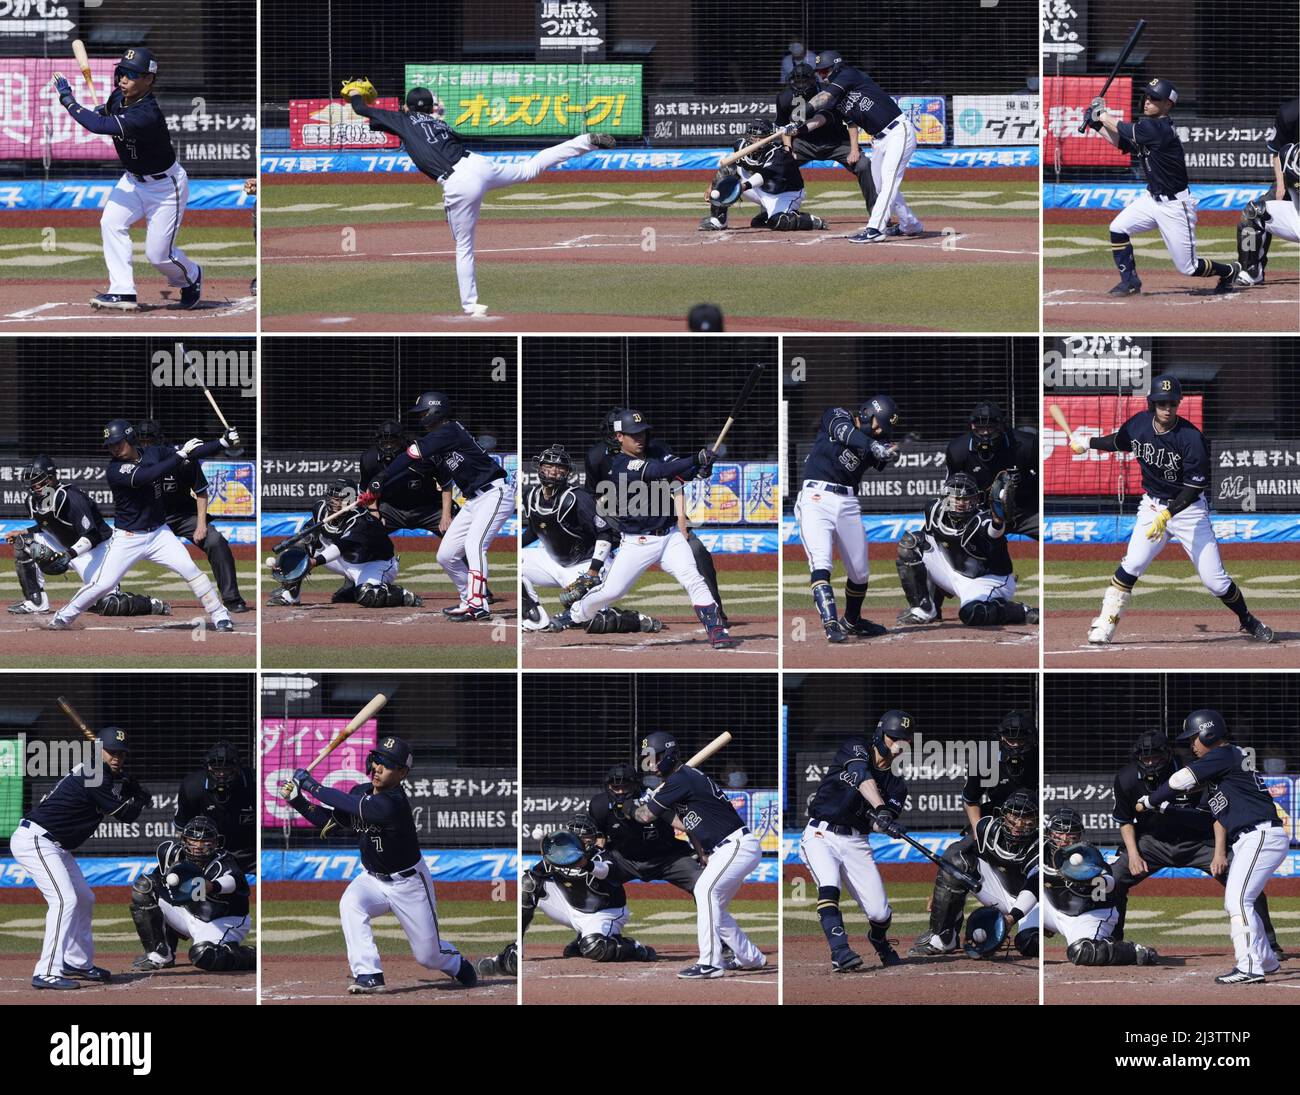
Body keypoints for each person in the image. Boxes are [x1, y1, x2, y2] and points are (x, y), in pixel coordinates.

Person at [342, 79, 615, 316]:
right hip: (478, 164)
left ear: (408, 107)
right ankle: (585, 142)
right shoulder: (440, 124)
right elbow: (429, 122)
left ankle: (471, 306)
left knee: (463, 246)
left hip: (459, 181)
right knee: (529, 168)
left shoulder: (403, 119)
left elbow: (361, 108)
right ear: (430, 107)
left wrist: (355, 91)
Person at [1067, 374, 1273, 644]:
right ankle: (1105, 622)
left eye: (1172, 402)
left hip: (1188, 512)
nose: (1167, 408)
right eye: (1161, 402)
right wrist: (1088, 443)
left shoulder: (1190, 438)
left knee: (1215, 581)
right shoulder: (1140, 424)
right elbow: (1119, 441)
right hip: (1153, 505)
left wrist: (1168, 515)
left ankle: (1248, 620)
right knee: (1133, 563)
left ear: (1178, 403)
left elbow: (1193, 488)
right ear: (1152, 403)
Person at [280, 734, 477, 993]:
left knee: (428, 956)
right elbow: (329, 822)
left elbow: (347, 803)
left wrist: (311, 785)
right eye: (377, 759)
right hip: (372, 879)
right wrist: (298, 801)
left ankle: (457, 964)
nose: (378, 767)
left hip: (409, 884)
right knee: (350, 904)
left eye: (388, 764)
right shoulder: (360, 792)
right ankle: (368, 974)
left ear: (402, 773)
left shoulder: (392, 803)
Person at [1141, 710, 1289, 984]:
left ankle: (1249, 967)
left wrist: (1150, 800)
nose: (1192, 745)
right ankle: (1266, 961)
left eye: (1194, 738)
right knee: (1240, 901)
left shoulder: (1224, 754)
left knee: (1237, 901)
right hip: (1249, 839)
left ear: (1208, 733)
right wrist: (1163, 807)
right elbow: (1206, 817)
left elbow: (1177, 781)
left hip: (1260, 836)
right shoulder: (1221, 773)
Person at [48, 420, 238, 631]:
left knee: (191, 570)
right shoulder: (115, 470)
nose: (114, 448)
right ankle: (63, 617)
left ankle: (221, 615)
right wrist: (180, 455)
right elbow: (148, 475)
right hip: (128, 538)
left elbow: (192, 452)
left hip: (159, 534)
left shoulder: (153, 453)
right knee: (103, 584)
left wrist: (223, 442)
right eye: (110, 445)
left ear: (130, 439)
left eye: (118, 443)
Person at [52, 48, 202, 310]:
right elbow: (106, 114)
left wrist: (68, 101)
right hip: (132, 181)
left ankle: (191, 276)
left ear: (148, 80)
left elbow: (100, 126)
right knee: (110, 222)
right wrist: (102, 111)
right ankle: (122, 290)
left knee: (158, 255)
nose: (123, 79)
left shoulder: (147, 114)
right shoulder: (118, 98)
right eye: (122, 72)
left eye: (131, 75)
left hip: (165, 188)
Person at [9, 725, 147, 988]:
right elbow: (125, 815)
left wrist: (127, 793)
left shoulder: (98, 772)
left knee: (84, 898)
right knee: (64, 901)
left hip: (56, 846)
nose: (117, 757)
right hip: (37, 840)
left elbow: (113, 801)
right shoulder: (94, 772)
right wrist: (137, 798)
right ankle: (46, 971)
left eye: (122, 753)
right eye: (111, 752)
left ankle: (76, 962)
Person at [359, 391, 512, 621]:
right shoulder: (443, 437)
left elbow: (410, 455)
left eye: (423, 413)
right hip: (474, 500)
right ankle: (468, 599)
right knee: (446, 555)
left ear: (436, 411)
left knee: (474, 544)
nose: (420, 418)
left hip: (495, 493)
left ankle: (477, 604)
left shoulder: (448, 431)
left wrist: (383, 477)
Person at [1086, 78, 1242, 294]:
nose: (1147, 101)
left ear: (1168, 104)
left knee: (1189, 267)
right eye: (1147, 96)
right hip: (1151, 200)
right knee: (1118, 228)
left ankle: (1228, 271)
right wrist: (1097, 125)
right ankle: (1130, 281)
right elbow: (1122, 142)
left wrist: (1101, 114)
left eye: (1155, 98)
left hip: (1175, 206)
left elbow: (1123, 128)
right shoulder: (1148, 128)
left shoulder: (1158, 128)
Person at [632, 731, 768, 978]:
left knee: (704, 891)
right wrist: (702, 853)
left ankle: (711, 962)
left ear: (668, 755)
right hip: (721, 850)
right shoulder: (680, 782)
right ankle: (751, 957)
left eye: (654, 757)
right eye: (647, 759)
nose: (650, 764)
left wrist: (642, 805)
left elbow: (645, 816)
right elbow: (686, 824)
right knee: (715, 907)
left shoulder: (681, 780)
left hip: (736, 845)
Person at [799, 712, 911, 972]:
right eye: (894, 737)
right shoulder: (856, 747)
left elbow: (877, 822)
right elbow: (861, 775)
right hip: (820, 834)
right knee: (829, 885)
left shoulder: (897, 785)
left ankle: (879, 940)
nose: (898, 744)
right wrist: (881, 808)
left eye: (904, 740)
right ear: (881, 733)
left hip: (856, 841)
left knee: (880, 913)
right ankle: (840, 951)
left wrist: (886, 826)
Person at [6, 454, 169, 618]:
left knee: (110, 605)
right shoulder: (33, 501)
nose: (34, 485)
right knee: (23, 544)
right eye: (31, 481)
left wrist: (68, 555)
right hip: (66, 546)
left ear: (51, 479)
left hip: (96, 551)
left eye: (37, 480)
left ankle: (152, 604)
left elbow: (92, 535)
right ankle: (36, 602)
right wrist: (25, 532)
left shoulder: (71, 497)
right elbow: (50, 525)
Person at [796, 396, 901, 642]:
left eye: (882, 428)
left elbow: (884, 455)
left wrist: (891, 452)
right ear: (867, 412)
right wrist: (874, 446)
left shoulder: (875, 441)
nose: (878, 430)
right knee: (821, 562)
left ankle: (851, 622)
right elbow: (845, 432)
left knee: (860, 572)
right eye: (878, 423)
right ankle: (830, 622)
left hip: (849, 503)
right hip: (816, 498)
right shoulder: (837, 414)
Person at [894, 473, 1038, 628]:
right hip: (953, 569)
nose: (961, 503)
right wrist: (938, 589)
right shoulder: (934, 510)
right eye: (956, 498)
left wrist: (998, 520)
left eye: (966, 498)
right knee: (911, 543)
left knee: (972, 614)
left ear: (976, 499)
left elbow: (993, 531)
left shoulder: (982, 520)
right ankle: (924, 609)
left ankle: (1020, 610)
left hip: (987, 580)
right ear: (945, 497)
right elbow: (928, 544)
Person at [134, 420, 249, 613]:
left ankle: (232, 598)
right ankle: (108, 595)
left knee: (215, 541)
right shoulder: (131, 461)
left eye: (150, 441)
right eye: (142, 442)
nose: (146, 446)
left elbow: (201, 491)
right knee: (115, 547)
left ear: (160, 440)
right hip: (150, 520)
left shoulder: (182, 458)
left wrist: (201, 525)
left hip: (183, 516)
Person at [128, 816, 255, 973]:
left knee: (203, 955)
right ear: (184, 840)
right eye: (193, 840)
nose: (198, 846)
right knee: (145, 887)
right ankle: (160, 955)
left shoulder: (223, 861)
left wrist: (212, 886)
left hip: (223, 921)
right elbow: (160, 886)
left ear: (216, 843)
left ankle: (250, 955)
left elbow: (233, 881)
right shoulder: (175, 857)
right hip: (191, 913)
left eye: (204, 841)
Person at [521, 823, 657, 964]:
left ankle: (632, 947)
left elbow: (604, 870)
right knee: (528, 883)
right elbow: (534, 876)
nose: (585, 842)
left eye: (587, 838)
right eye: (579, 838)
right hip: (571, 908)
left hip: (605, 913)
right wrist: (547, 855)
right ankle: (518, 947)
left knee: (594, 947)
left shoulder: (602, 856)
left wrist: (586, 864)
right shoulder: (558, 856)